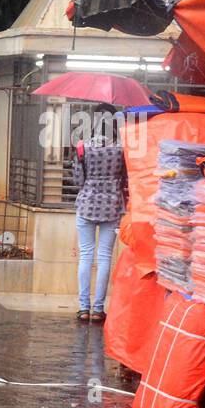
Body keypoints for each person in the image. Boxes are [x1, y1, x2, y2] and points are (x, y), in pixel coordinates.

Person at [73, 102, 127, 324]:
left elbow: (78, 180)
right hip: (112, 206)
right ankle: (98, 310)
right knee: (105, 257)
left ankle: (83, 308)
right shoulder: (122, 149)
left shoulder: (82, 147)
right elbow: (126, 179)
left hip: (86, 205)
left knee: (86, 256)